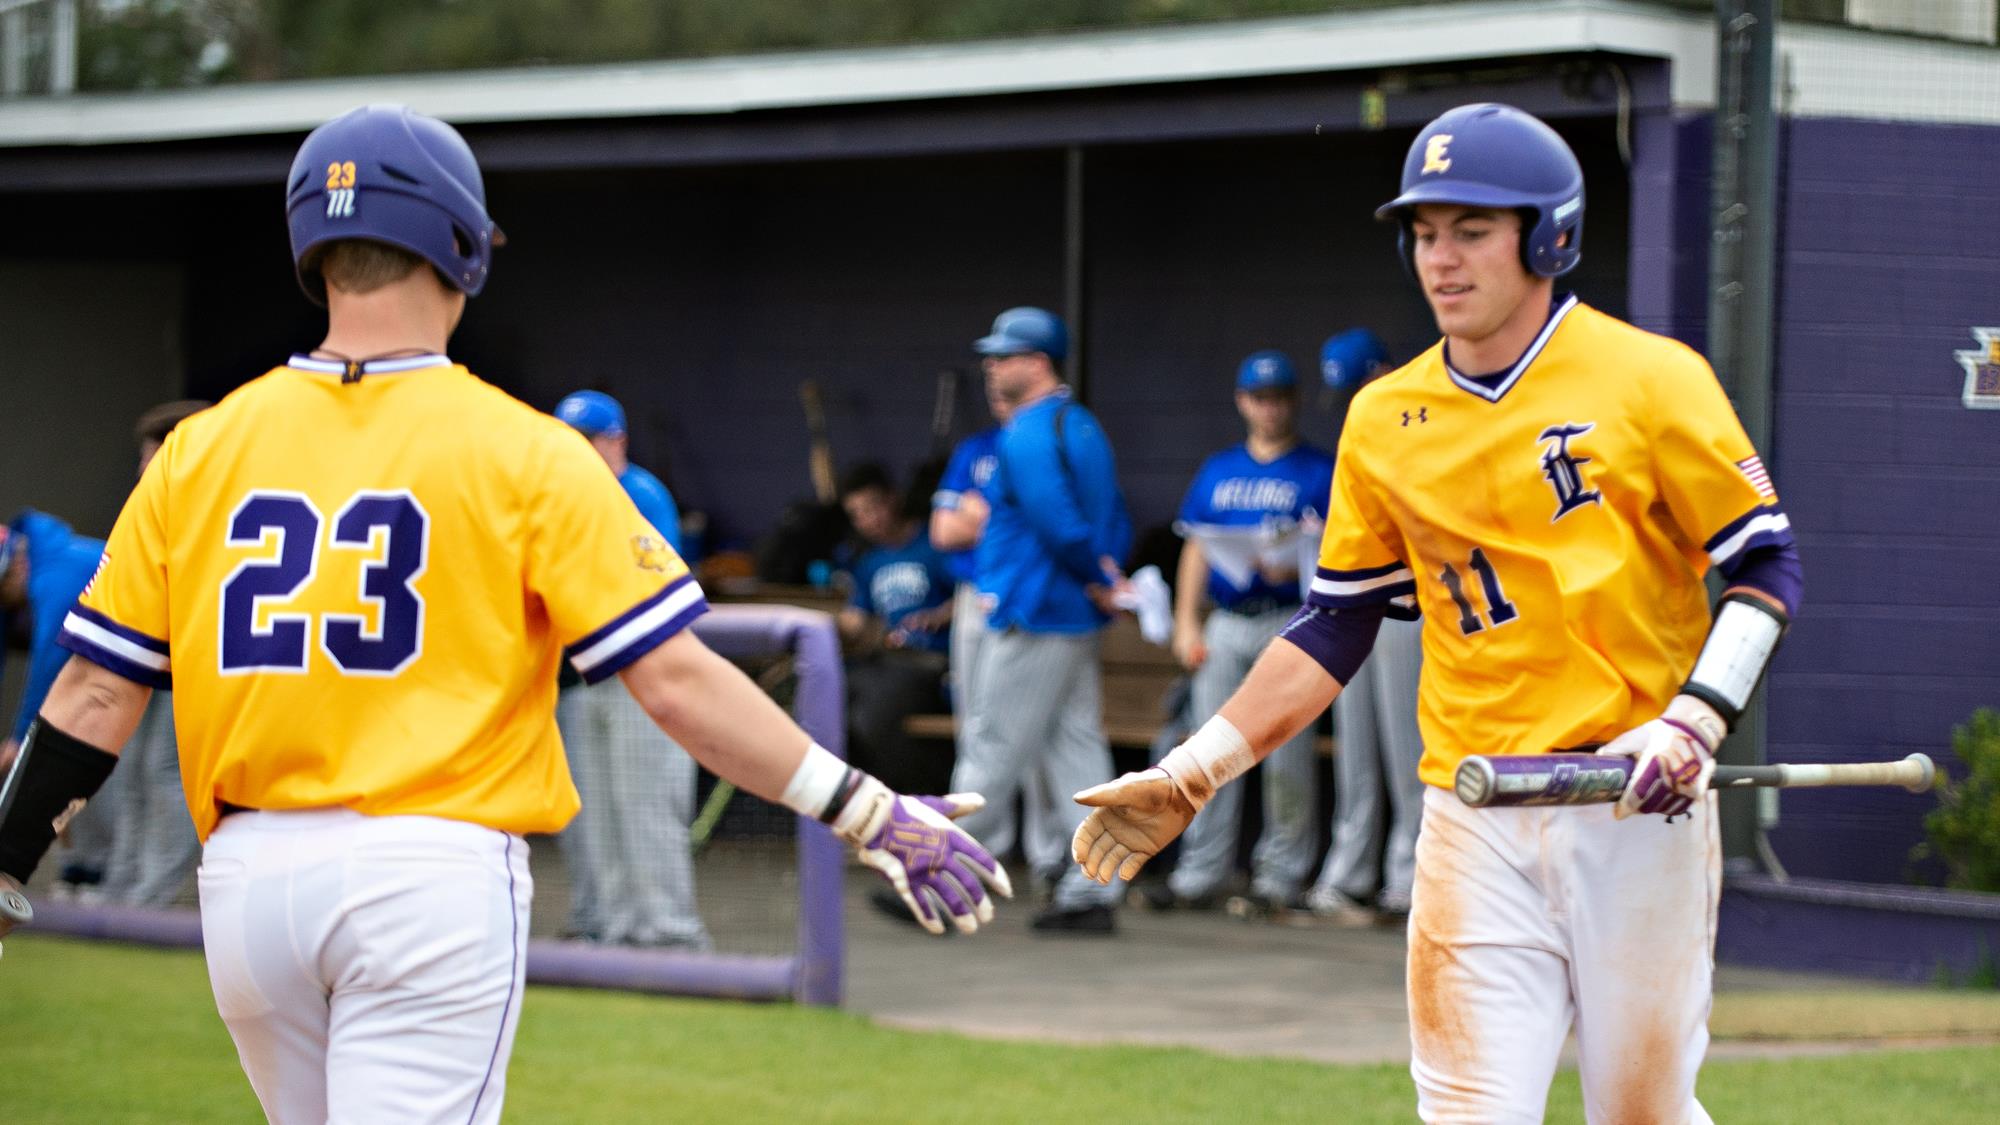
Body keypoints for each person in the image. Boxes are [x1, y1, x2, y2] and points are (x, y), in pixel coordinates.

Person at [0, 105, 1007, 1125]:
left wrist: (2, 863)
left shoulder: (200, 448)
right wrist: (868, 811)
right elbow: (675, 678)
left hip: (251, 885)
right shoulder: (522, 448)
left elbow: (92, 689)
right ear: (459, 244)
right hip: (426, 877)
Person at [1073, 102, 1801, 1123]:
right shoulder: (1381, 420)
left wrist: (1694, 718)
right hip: (1471, 813)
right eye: (1423, 232)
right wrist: (1193, 772)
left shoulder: (1650, 379)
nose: (1438, 259)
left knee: (1639, 1116)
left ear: (1547, 236)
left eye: (1470, 229)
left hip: (1635, 808)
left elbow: (1766, 569)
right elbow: (1332, 629)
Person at [952, 306, 1132, 934]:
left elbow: (1058, 522)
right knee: (1078, 750)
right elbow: (1112, 519)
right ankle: (1094, 891)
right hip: (1069, 612)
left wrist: (1093, 574)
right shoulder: (1080, 424)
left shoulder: (1029, 430)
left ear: (1037, 362)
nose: (991, 366)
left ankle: (940, 878)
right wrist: (1104, 577)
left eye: (1003, 356)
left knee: (992, 743)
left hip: (1035, 609)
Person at [1147, 349, 1332, 916]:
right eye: (1259, 398)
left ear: (1292, 401)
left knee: (1285, 751)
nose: (1269, 409)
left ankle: (1280, 875)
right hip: (1229, 619)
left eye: (1278, 398)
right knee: (1211, 747)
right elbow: (1197, 547)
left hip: (1290, 618)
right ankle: (1202, 872)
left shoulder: (1317, 470)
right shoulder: (1220, 469)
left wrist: (1297, 564)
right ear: (1242, 402)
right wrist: (1185, 623)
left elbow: (1335, 552)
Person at [551, 388, 709, 949]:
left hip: (638, 681)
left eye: (589, 440)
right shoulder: (555, 496)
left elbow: (641, 585)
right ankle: (609, 930)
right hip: (578, 680)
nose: (578, 451)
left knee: (644, 809)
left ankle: (668, 935)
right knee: (589, 814)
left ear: (616, 442)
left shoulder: (641, 493)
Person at [1298, 329, 1427, 928]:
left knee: (1407, 752)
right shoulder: (1362, 435)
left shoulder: (1425, 420)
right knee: (1357, 752)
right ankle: (1348, 876)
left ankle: (1408, 880)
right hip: (1357, 607)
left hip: (1411, 607)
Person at [931, 379, 1070, 893]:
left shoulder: (1055, 445)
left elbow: (1047, 526)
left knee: (1030, 729)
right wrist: (996, 521)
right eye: (990, 376)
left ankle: (1047, 852)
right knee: (978, 723)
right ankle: (983, 849)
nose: (998, 389)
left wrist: (984, 517)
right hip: (976, 593)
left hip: (1027, 595)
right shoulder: (976, 450)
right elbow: (942, 531)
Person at [101, 400, 211, 908]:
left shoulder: (212, 499)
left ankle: (149, 900)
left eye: (155, 452)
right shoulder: (159, 502)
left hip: (194, 664)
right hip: (147, 657)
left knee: (165, 774)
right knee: (131, 772)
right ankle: (121, 891)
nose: (144, 465)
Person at [0, 509, 108, 894]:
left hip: (154, 654)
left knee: (130, 773)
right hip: (104, 670)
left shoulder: (54, 575)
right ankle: (83, 870)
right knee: (65, 768)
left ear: (15, 565)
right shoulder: (16, 588)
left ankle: (119, 887)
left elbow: (46, 665)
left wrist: (17, 739)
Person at [836, 462, 954, 796]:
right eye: (857, 514)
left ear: (892, 500)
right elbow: (856, 617)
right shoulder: (868, 562)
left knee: (872, 715)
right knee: (834, 696)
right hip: (887, 663)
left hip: (931, 666)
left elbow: (971, 596)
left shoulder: (934, 543)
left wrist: (939, 614)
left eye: (872, 508)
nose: (868, 520)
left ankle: (902, 798)